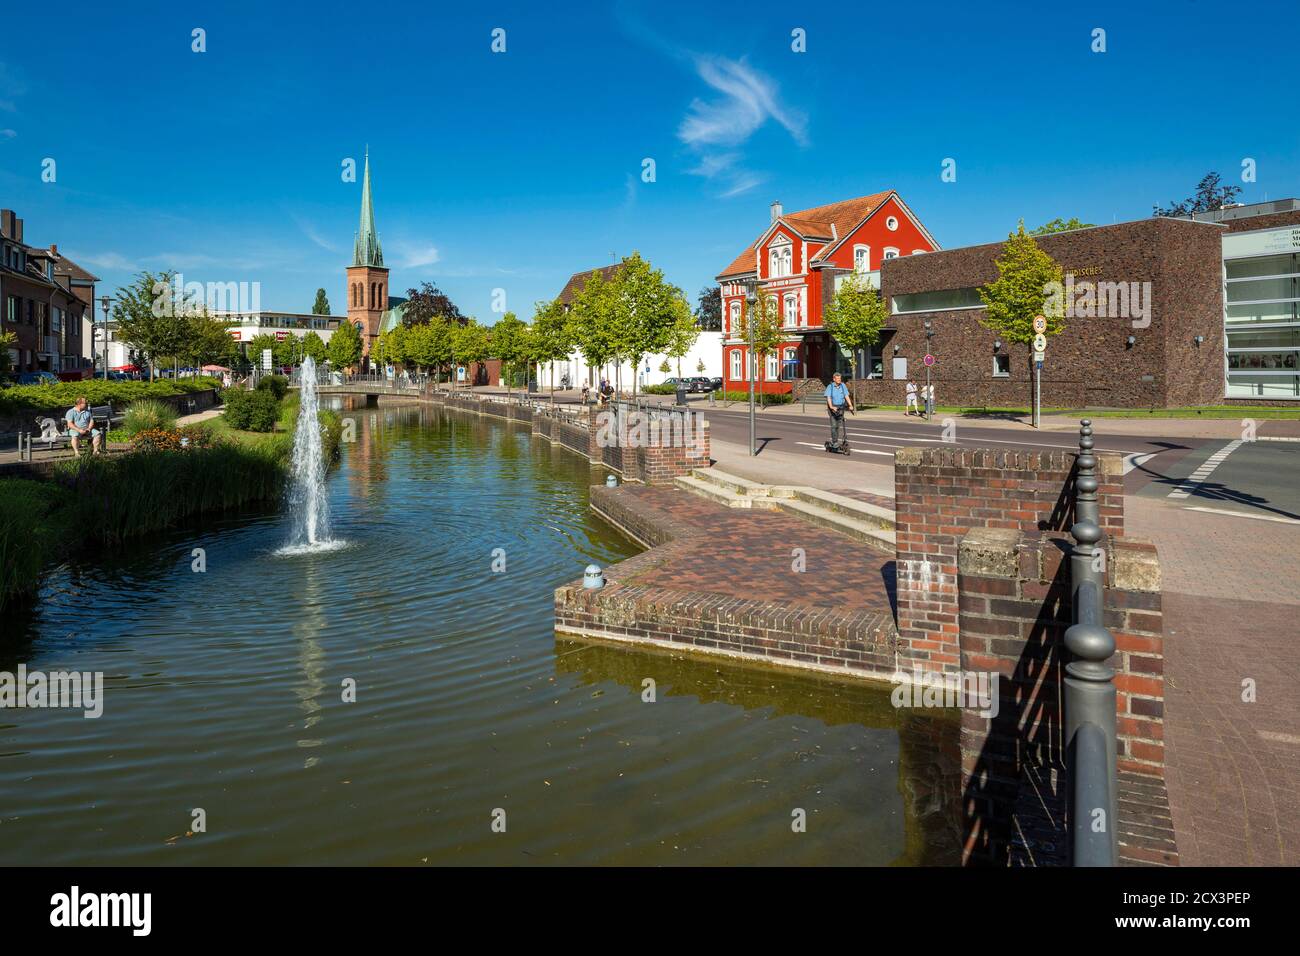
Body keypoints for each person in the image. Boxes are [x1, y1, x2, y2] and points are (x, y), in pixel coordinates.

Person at [824, 372, 854, 447]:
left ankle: (837, 441)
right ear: (834, 379)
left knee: (838, 425)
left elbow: (846, 395)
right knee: (834, 425)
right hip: (833, 408)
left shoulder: (843, 385)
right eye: (837, 379)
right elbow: (829, 398)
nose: (839, 380)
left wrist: (850, 405)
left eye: (840, 378)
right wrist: (831, 407)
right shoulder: (830, 387)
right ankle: (834, 442)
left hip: (841, 407)